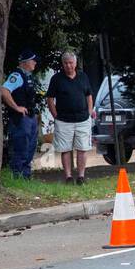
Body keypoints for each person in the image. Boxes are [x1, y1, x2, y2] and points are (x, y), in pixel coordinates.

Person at [46, 50, 95, 185]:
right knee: (65, 149)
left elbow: (89, 95)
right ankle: (68, 176)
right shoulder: (56, 79)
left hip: (83, 119)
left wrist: (89, 113)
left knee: (83, 148)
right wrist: (55, 115)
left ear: (75, 63)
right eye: (66, 63)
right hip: (63, 120)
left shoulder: (83, 76)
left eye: (71, 63)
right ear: (63, 64)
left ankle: (81, 176)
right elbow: (50, 98)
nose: (69, 66)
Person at [0, 49, 40, 180]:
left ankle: (26, 177)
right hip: (20, 120)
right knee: (21, 147)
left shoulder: (28, 77)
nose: (35, 63)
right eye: (33, 60)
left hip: (30, 117)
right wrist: (16, 107)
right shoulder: (16, 76)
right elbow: (4, 91)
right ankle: (17, 176)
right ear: (25, 62)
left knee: (30, 147)